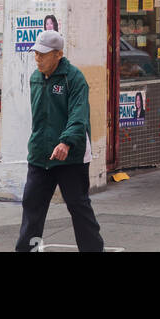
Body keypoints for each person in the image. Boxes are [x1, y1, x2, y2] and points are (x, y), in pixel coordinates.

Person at [15, 31, 105, 253]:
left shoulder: (74, 79)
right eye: (36, 53)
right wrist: (37, 146)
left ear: (58, 55)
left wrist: (66, 142)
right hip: (41, 154)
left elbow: (78, 115)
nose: (38, 58)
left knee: (78, 206)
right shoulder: (36, 78)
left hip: (71, 156)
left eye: (43, 54)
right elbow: (41, 119)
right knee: (32, 206)